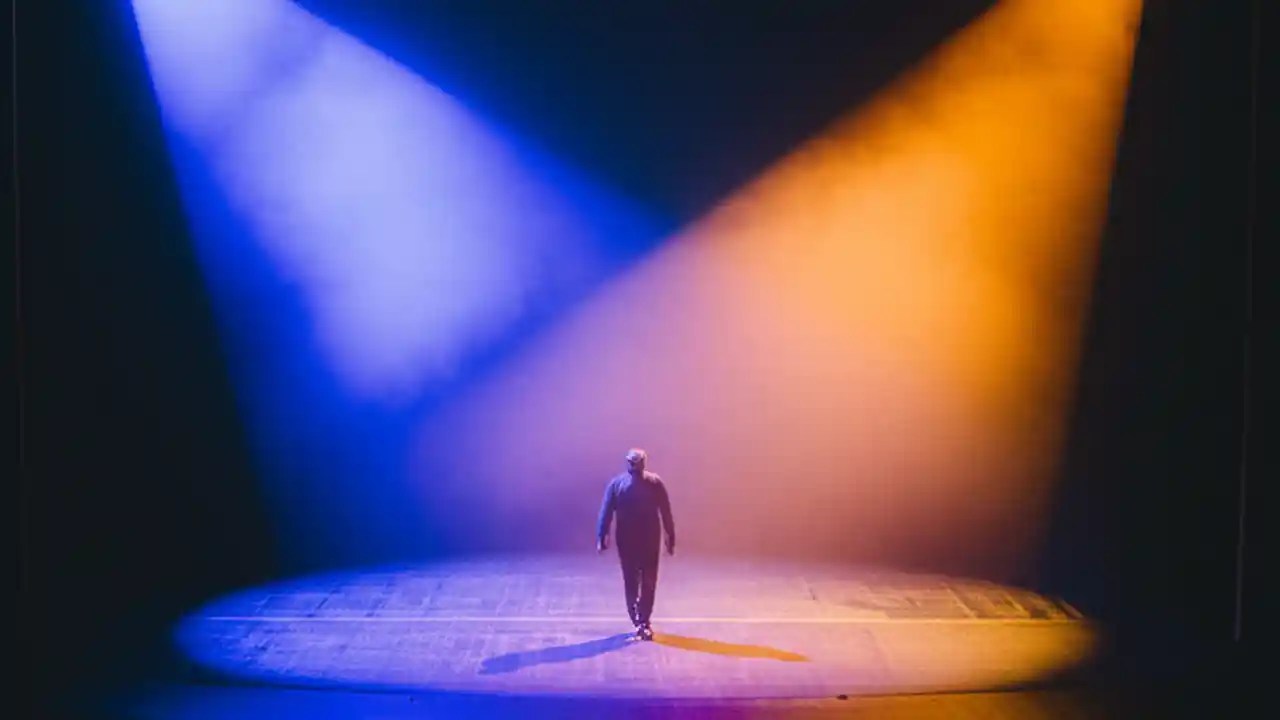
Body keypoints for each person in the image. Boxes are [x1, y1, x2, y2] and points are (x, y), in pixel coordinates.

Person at [596, 448, 675, 641]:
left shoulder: (625, 484)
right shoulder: (648, 483)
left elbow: (665, 511)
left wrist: (602, 536)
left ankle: (640, 620)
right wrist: (670, 537)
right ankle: (641, 620)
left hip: (637, 541)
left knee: (637, 581)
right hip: (639, 541)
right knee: (641, 581)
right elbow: (666, 512)